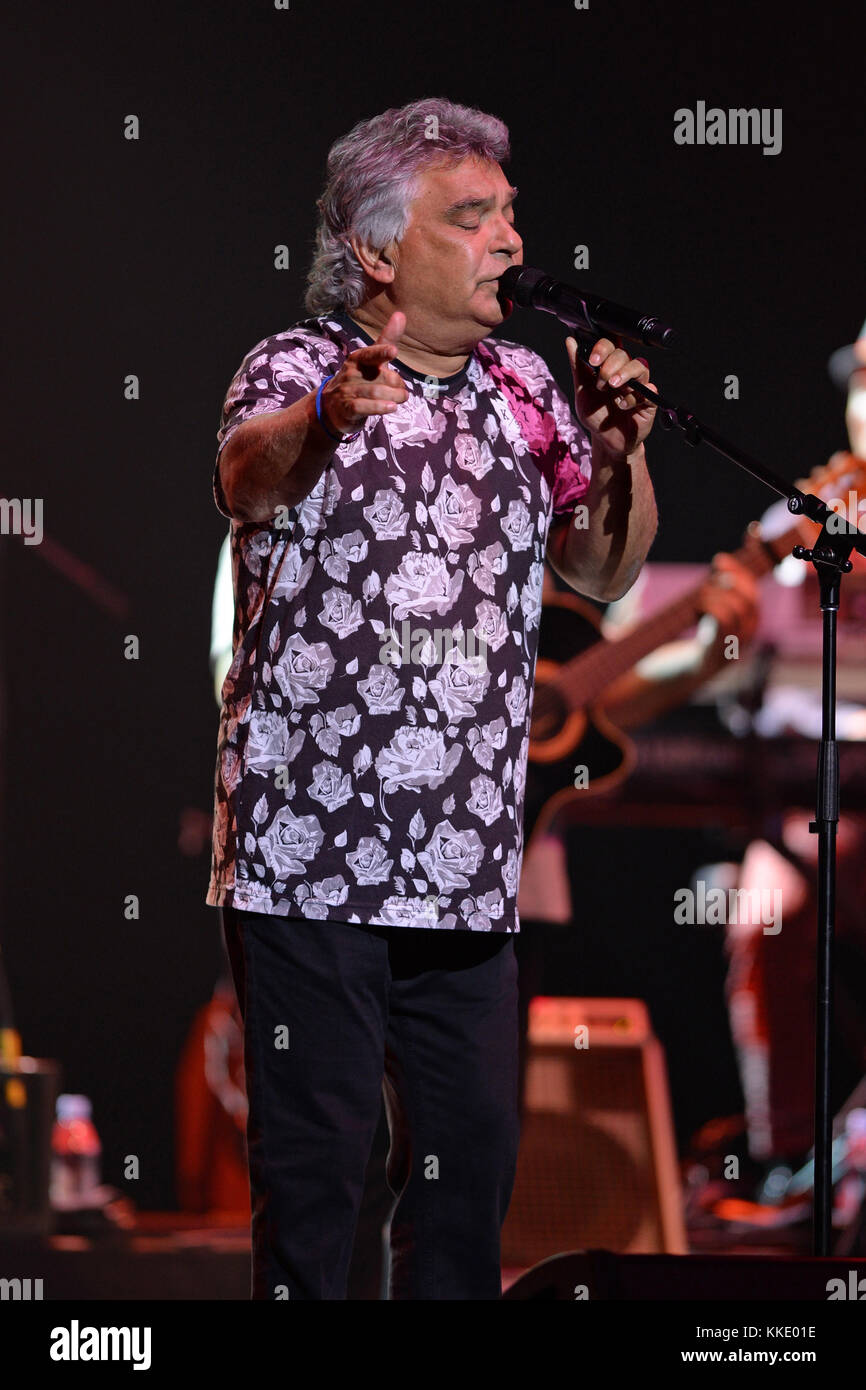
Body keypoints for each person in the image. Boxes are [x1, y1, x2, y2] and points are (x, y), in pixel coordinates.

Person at [206, 96, 658, 1300]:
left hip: (464, 861)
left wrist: (618, 456)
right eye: (472, 218)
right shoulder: (299, 364)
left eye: (509, 213)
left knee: (471, 1178)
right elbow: (247, 481)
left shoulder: (521, 384)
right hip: (309, 856)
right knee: (321, 1175)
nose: (511, 240)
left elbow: (600, 570)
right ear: (375, 249)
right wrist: (323, 418)